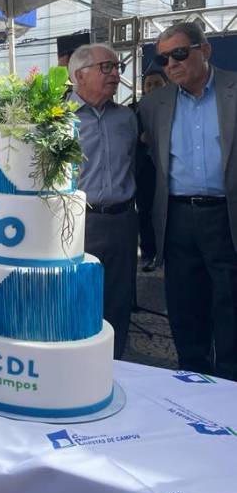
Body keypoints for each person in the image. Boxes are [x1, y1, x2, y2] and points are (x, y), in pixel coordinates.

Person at [139, 21, 237, 380]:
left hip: (226, 215)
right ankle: (192, 381)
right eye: (164, 59)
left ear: (205, 50)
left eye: (179, 54)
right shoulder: (153, 105)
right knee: (184, 306)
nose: (172, 65)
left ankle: (229, 389)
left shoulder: (233, 88)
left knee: (230, 306)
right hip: (177, 218)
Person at [69, 43, 138, 359]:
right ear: (79, 75)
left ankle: (115, 366)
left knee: (119, 301)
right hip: (80, 222)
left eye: (117, 67)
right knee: (79, 300)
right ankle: (78, 367)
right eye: (106, 67)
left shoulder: (127, 118)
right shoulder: (57, 120)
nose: (115, 74)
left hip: (123, 221)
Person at [133, 65, 167, 272]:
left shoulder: (175, 106)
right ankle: (148, 253)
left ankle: (167, 252)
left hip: (167, 170)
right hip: (145, 169)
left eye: (157, 83)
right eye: (149, 84)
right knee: (145, 211)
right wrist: (141, 139)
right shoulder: (135, 109)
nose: (153, 87)